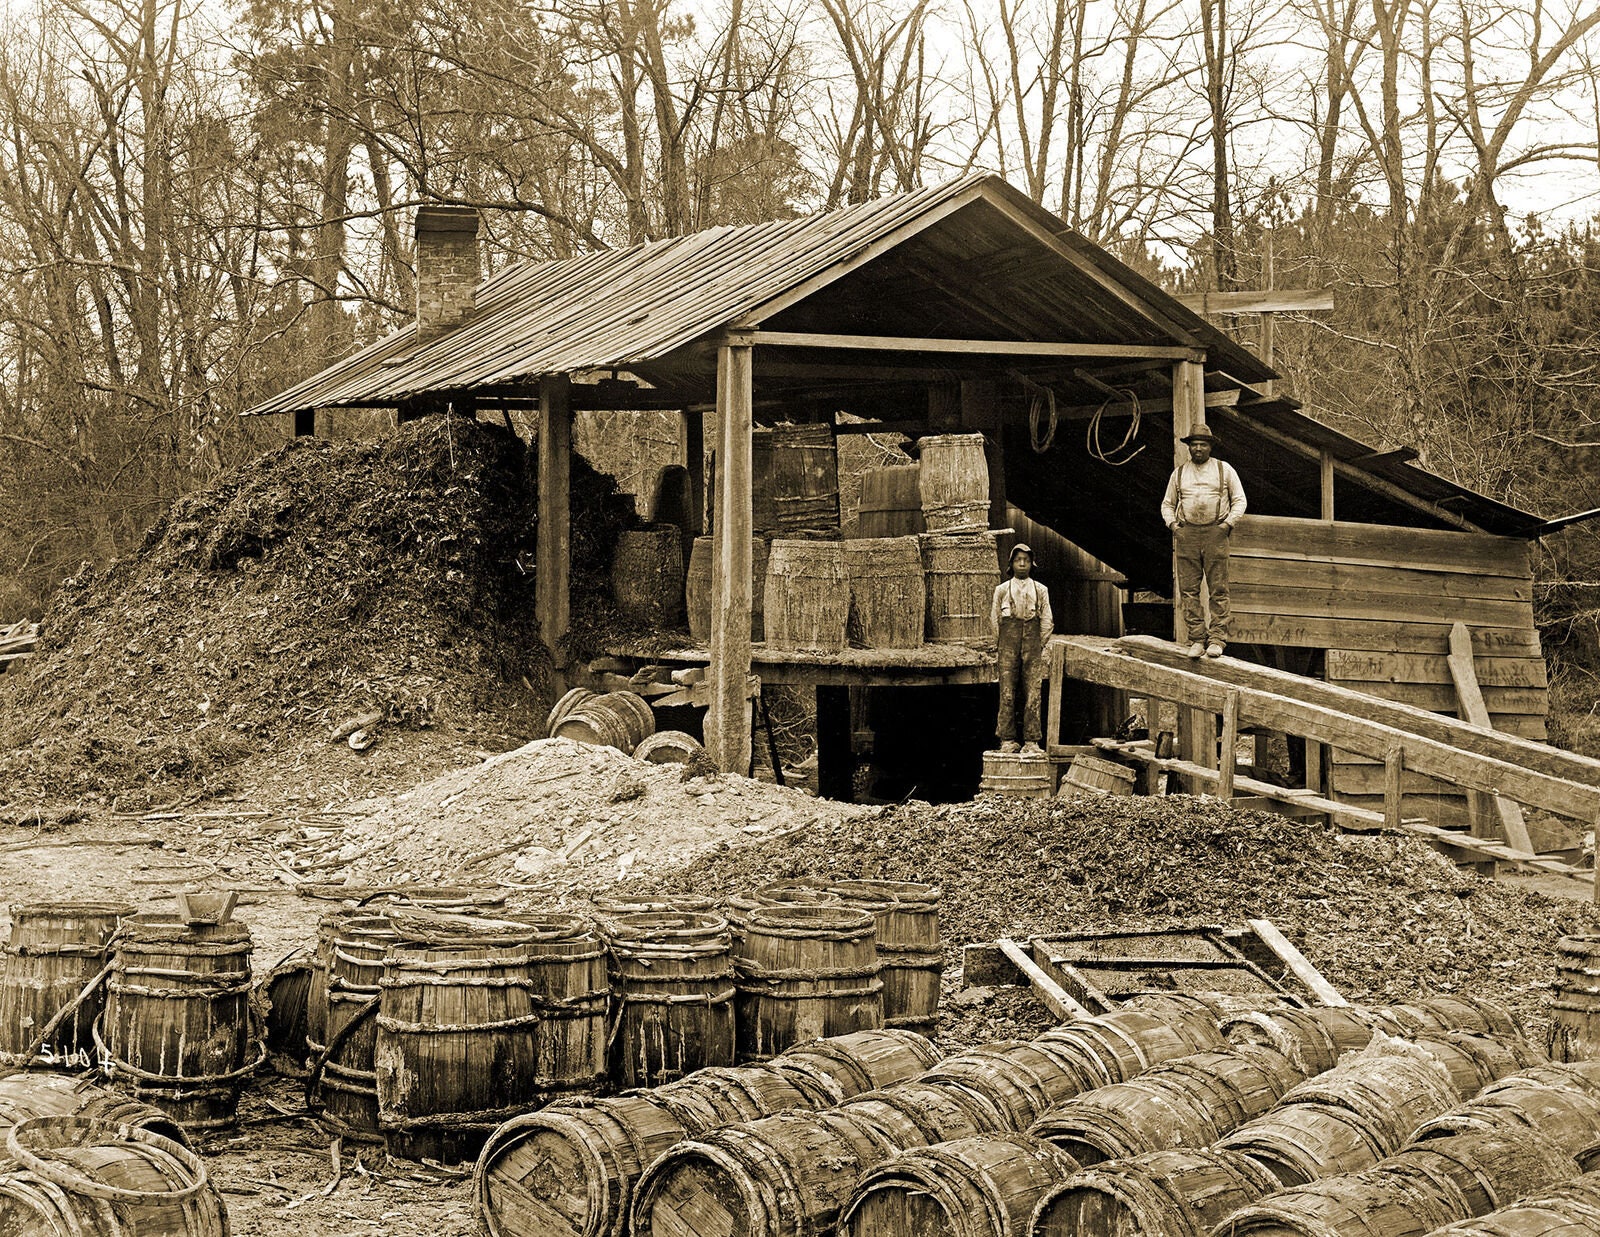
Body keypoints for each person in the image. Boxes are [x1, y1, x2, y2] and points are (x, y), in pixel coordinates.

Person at [1160, 423, 1247, 659]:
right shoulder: (1179, 474)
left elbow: (1240, 500)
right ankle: (1197, 638)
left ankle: (1217, 639)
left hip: (1215, 533)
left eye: (1203, 444)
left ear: (1210, 447)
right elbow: (1167, 504)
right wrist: (1174, 526)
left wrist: (1227, 525)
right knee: (1188, 590)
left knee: (1218, 588)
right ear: (1189, 447)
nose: (1198, 448)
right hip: (1187, 534)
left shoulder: (1224, 469)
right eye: (1194, 444)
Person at [991, 543, 1053, 755]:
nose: (1022, 563)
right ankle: (1007, 740)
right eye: (1018, 560)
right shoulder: (1001, 590)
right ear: (1011, 564)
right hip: (1007, 644)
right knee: (1007, 692)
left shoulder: (1041, 590)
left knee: (1033, 692)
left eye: (1026, 560)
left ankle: (1031, 741)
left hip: (1032, 644)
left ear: (1031, 563)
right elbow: (995, 619)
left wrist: (1038, 644)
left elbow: (1047, 619)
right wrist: (1001, 644)